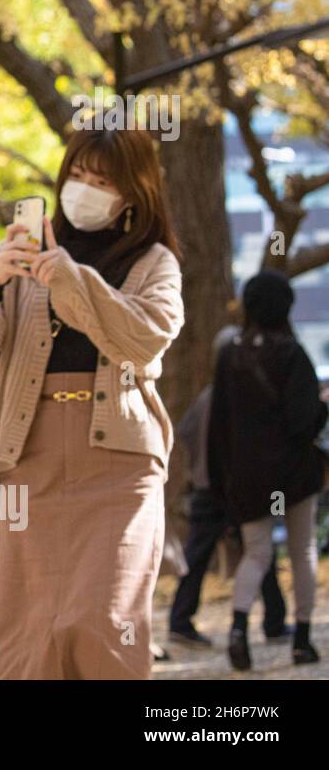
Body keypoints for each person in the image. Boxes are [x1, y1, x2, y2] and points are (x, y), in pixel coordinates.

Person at [0, 125, 184, 679]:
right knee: (31, 633)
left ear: (134, 191)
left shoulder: (153, 261)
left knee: (103, 620)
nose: (85, 188)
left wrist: (70, 279)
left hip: (119, 461)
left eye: (103, 180)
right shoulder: (25, 251)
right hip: (29, 456)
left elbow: (145, 339)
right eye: (78, 175)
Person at [208, 270, 325, 669]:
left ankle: (238, 630)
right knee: (302, 549)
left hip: (247, 478)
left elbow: (218, 424)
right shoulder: (292, 353)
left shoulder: (230, 354)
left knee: (256, 554)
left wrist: (219, 484)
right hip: (293, 476)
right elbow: (304, 422)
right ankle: (302, 639)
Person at [168, 325, 289, 648]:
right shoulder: (236, 397)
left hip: (210, 486)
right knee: (259, 551)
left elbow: (187, 433)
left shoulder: (208, 397)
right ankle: (273, 623)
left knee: (226, 554)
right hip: (228, 488)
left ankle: (182, 620)